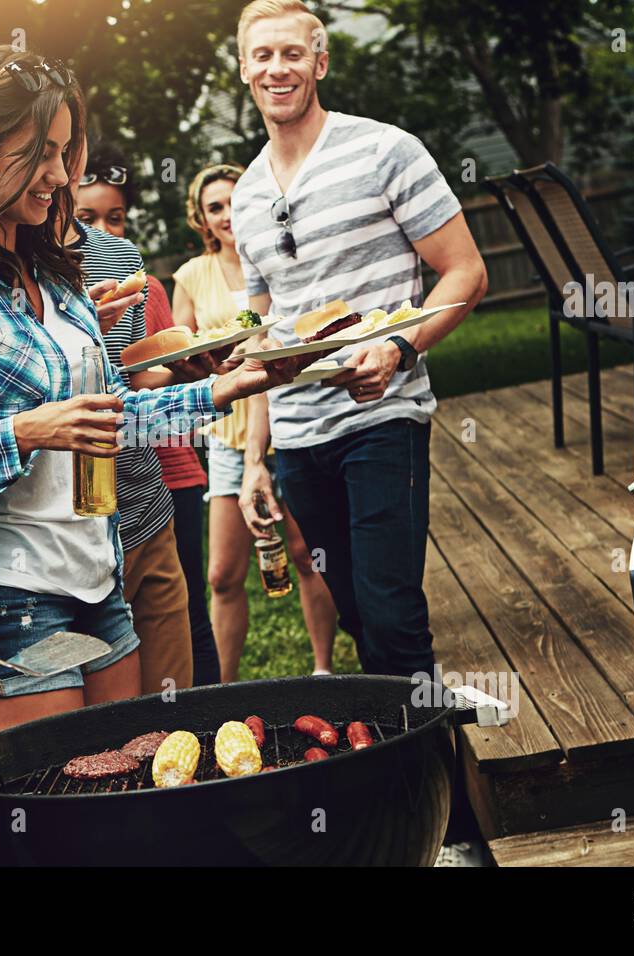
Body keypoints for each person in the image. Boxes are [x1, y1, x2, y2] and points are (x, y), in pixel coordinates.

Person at [0, 46, 303, 735]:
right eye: (41, 152)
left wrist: (226, 386)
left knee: (129, 781)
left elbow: (111, 417)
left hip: (98, 574)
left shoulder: (54, 273)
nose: (60, 175)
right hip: (11, 594)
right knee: (66, 807)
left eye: (66, 152)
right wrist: (25, 432)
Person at [231, 0, 488, 679]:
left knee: (391, 614)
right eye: (262, 55)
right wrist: (255, 459)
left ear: (320, 62)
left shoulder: (384, 150)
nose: (276, 68)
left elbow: (466, 271)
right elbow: (261, 332)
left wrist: (400, 348)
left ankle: (438, 783)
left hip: (383, 417)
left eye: (292, 53)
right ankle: (402, 768)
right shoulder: (248, 193)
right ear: (243, 69)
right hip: (296, 437)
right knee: (352, 614)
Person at [173, 162, 336, 681]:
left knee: (307, 555)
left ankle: (324, 670)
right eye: (213, 207)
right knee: (222, 574)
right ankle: (222, 690)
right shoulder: (190, 276)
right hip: (227, 436)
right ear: (201, 218)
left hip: (287, 423)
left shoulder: (276, 260)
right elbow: (182, 356)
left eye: (232, 203)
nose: (225, 216)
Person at [75, 140, 221, 686]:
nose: (104, 231)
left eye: (115, 217)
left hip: (147, 481)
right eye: (88, 216)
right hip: (79, 497)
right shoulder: (23, 267)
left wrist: (193, 367)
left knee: (181, 630)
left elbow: (137, 375)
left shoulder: (124, 262)